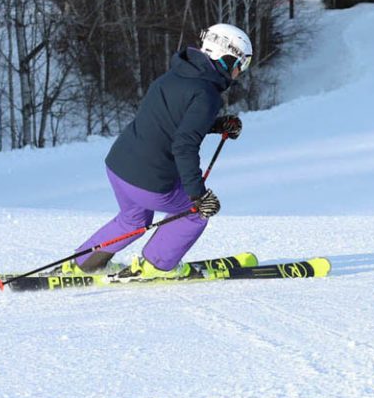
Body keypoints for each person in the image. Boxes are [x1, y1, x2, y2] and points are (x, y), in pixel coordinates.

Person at [68, 23, 252, 279]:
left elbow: (170, 119)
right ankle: (155, 265)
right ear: (227, 58)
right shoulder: (207, 94)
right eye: (241, 65)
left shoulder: (177, 73)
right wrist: (197, 195)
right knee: (194, 213)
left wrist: (216, 125)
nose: (239, 73)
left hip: (119, 167)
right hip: (149, 181)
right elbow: (184, 145)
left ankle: (84, 263)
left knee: (133, 220)